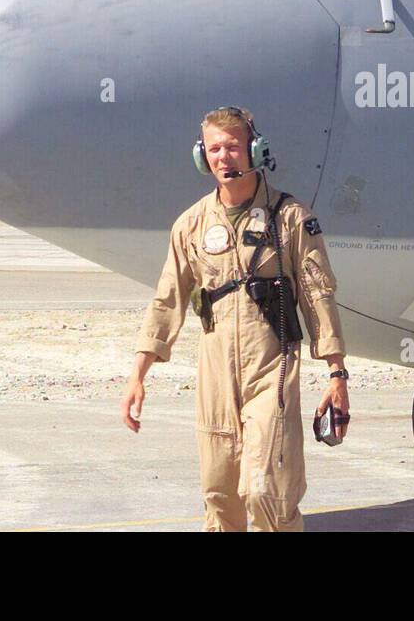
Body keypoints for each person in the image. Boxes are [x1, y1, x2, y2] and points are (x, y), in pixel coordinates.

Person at [121, 106, 349, 531]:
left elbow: (319, 296)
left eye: (232, 147)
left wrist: (337, 374)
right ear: (201, 156)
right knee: (219, 493)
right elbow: (167, 300)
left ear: (254, 150)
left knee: (267, 490)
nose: (224, 157)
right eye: (214, 149)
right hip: (215, 374)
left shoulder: (291, 218)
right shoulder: (190, 225)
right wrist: (138, 374)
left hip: (271, 368)